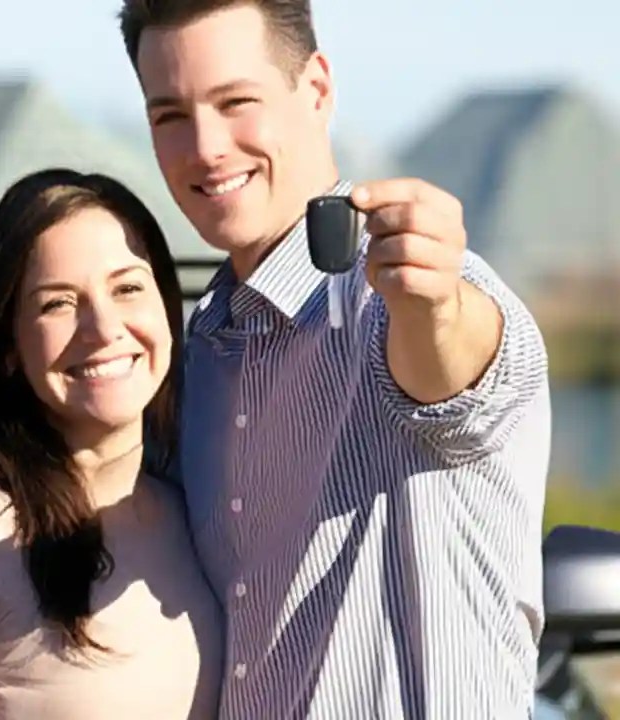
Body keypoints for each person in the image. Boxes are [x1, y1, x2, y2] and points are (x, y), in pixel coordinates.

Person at [116, 0, 552, 717]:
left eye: (236, 102)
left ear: (316, 89)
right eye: (171, 116)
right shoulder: (197, 355)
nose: (206, 147)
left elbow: (453, 375)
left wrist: (434, 303)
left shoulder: (398, 297)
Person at [0, 168, 223, 720]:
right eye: (58, 303)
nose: (103, 328)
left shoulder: (195, 508)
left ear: (168, 309)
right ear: (9, 347)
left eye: (127, 288)